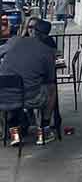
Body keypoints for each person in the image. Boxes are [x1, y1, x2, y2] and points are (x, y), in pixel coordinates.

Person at [0, 18, 57, 146]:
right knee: (51, 89)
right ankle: (44, 128)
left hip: (4, 95)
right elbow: (50, 79)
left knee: (16, 94)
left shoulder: (14, 41)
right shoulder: (47, 51)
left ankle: (14, 134)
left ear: (32, 31)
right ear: (47, 35)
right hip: (30, 97)